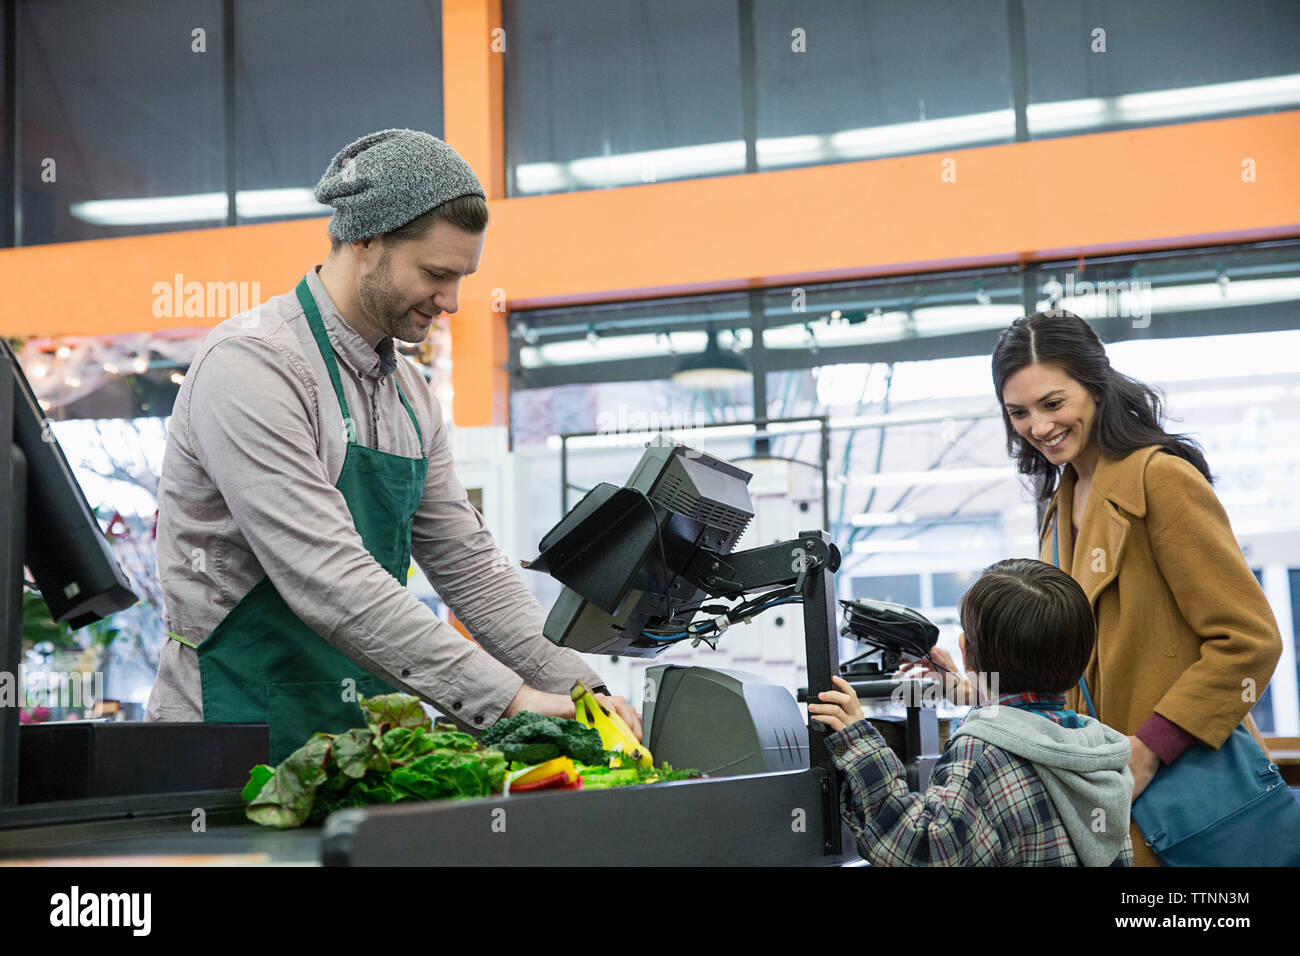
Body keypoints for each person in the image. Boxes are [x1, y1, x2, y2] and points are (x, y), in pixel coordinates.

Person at [145, 129, 639, 762]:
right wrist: (510, 700)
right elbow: (330, 578)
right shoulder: (254, 368)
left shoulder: (410, 391)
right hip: (233, 738)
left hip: (360, 746)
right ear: (366, 238)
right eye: (436, 273)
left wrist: (581, 689)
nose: (453, 301)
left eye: (463, 277)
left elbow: (471, 568)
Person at [990, 309, 1283, 866]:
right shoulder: (1060, 504)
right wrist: (963, 680)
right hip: (1108, 807)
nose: (1038, 426)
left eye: (1054, 403)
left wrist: (1148, 750)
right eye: (1018, 413)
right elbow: (1067, 664)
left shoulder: (1159, 479)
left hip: (1179, 794)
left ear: (1096, 387)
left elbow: (1250, 643)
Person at [811, 559, 1134, 866]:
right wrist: (967, 687)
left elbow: (918, 849)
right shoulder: (1094, 747)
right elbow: (1022, 718)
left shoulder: (983, 755)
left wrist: (861, 745)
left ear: (964, 651)